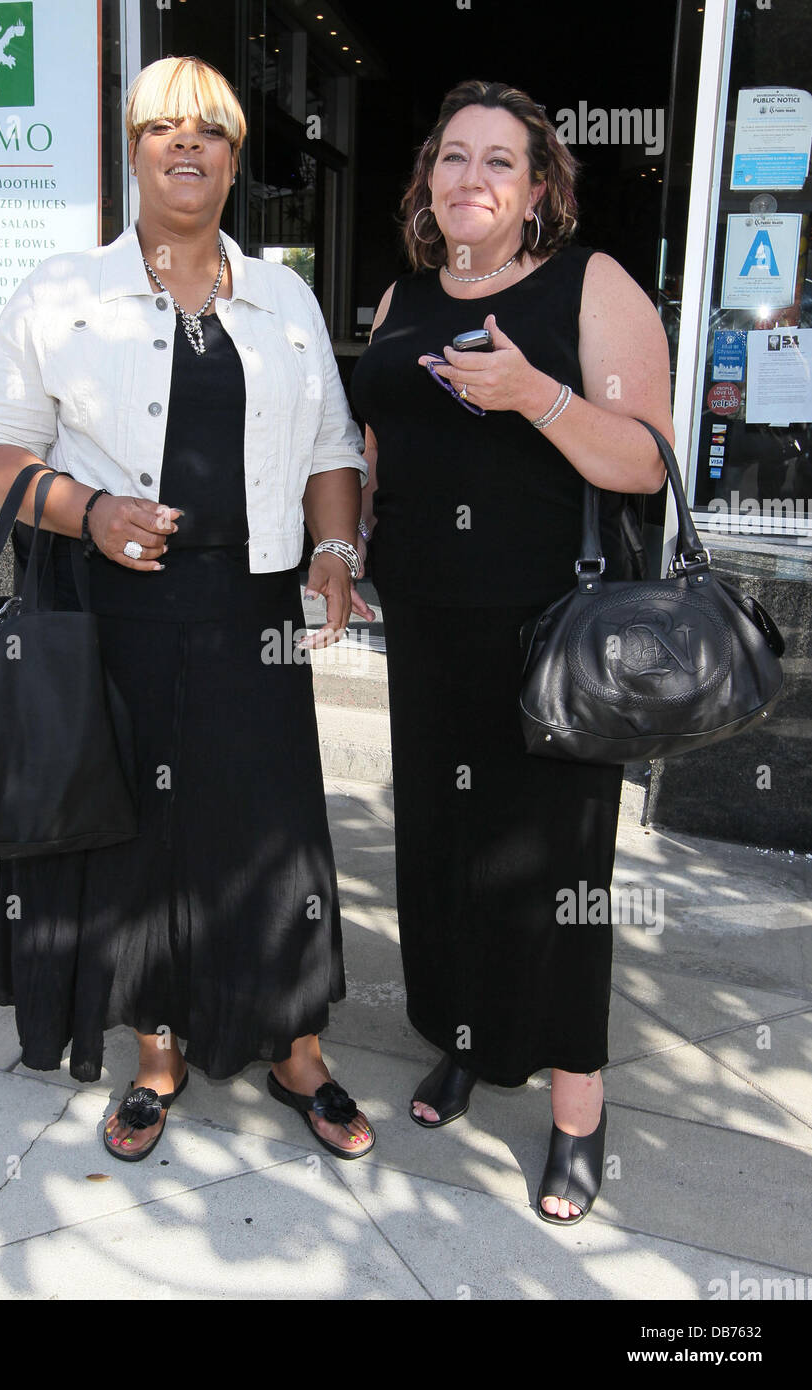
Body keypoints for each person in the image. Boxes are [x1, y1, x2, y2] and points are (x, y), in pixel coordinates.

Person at [0, 56, 376, 1163]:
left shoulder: (283, 296)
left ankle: (295, 1046)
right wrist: (88, 509)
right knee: (137, 834)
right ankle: (157, 1051)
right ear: (133, 149)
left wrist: (335, 545)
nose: (187, 145)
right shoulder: (60, 290)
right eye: (163, 128)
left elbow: (334, 448)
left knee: (270, 825)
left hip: (254, 612)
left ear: (237, 162)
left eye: (212, 132)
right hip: (115, 611)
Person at [350, 79, 673, 1222]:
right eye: (451, 156)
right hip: (428, 626)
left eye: (498, 161)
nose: (469, 177)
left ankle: (578, 1107)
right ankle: (466, 1042)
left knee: (558, 877)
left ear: (540, 190)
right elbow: (382, 440)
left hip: (555, 641)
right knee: (442, 852)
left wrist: (537, 396)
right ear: (426, 179)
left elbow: (645, 460)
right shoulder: (402, 293)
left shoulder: (591, 285)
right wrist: (349, 550)